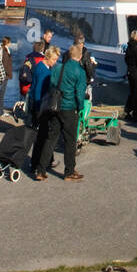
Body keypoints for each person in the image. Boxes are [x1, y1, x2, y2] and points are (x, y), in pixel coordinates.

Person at [35, 45, 88, 182]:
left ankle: (40, 170)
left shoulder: (58, 68)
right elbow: (80, 92)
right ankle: (69, 171)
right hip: (70, 109)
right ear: (80, 57)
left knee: (51, 138)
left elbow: (52, 85)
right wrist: (80, 107)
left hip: (56, 107)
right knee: (70, 141)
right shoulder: (80, 71)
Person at [28, 45, 61, 176]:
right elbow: (38, 90)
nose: (55, 62)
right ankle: (36, 163)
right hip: (40, 105)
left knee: (43, 135)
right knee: (42, 136)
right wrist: (38, 108)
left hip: (38, 103)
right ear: (48, 57)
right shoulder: (43, 70)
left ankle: (46, 160)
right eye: (54, 59)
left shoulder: (41, 66)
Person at [0, 35, 13, 125]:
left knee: (0, 93)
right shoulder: (5, 51)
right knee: (1, 93)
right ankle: (0, 111)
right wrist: (7, 74)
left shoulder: (1, 50)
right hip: (4, 75)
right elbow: (5, 64)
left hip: (3, 75)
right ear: (8, 43)